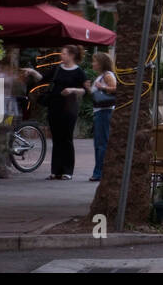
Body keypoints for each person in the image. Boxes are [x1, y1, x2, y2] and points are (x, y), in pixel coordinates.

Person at [25, 44, 88, 179]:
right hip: (54, 106)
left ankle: (67, 171)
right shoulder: (57, 69)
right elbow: (42, 78)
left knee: (67, 138)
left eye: (64, 53)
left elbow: (84, 90)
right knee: (57, 138)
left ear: (71, 55)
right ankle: (55, 170)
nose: (61, 55)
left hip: (69, 107)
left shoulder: (79, 72)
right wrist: (32, 72)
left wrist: (72, 90)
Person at [87, 52, 117, 182]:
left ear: (101, 63)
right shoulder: (100, 76)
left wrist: (103, 87)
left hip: (105, 112)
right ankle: (98, 171)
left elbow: (115, 88)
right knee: (98, 143)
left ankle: (99, 172)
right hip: (99, 111)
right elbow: (96, 95)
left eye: (95, 61)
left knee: (101, 143)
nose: (93, 64)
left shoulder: (107, 75)